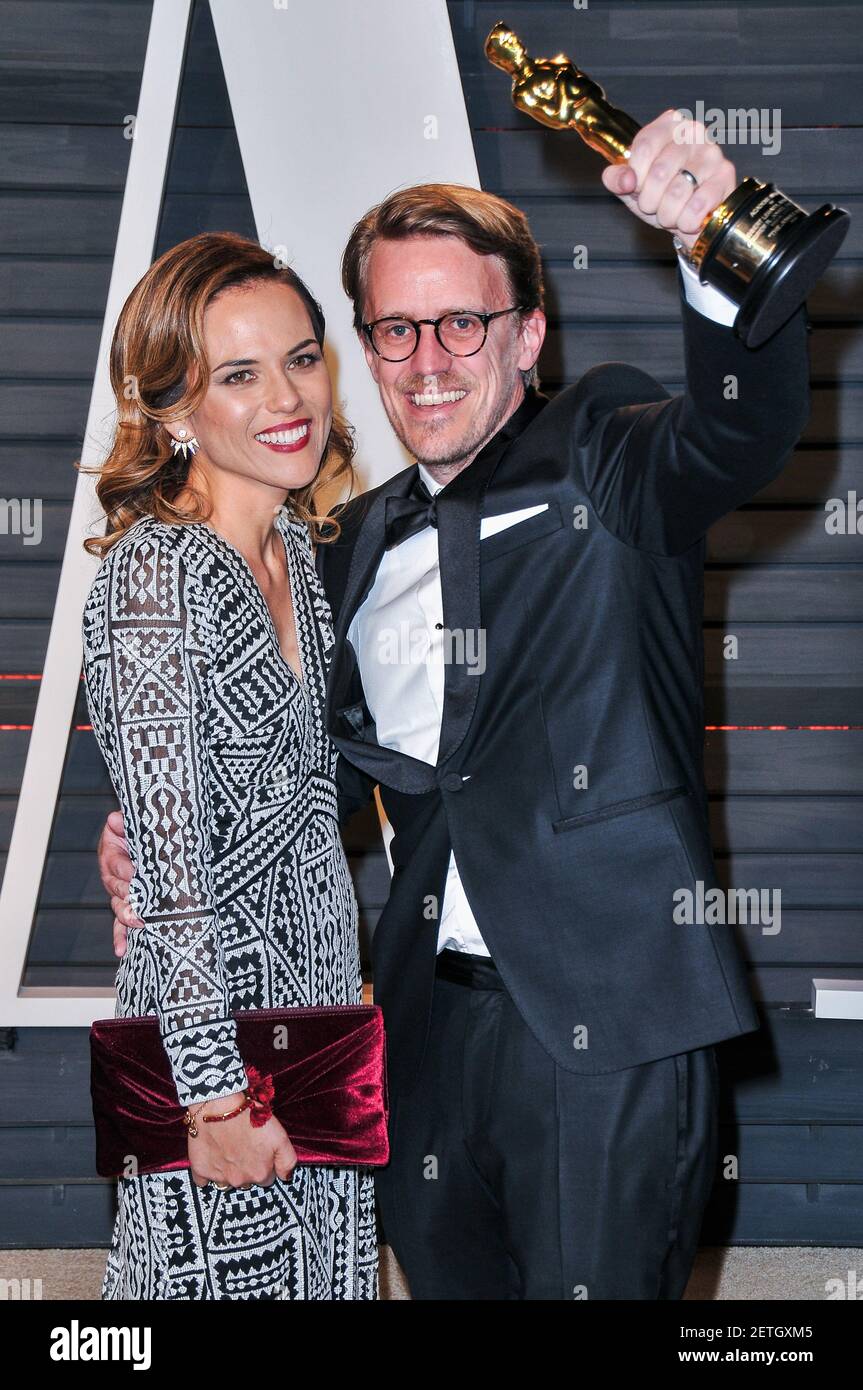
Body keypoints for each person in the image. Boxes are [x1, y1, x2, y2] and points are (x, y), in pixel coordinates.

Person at [101, 111, 811, 1299]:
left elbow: (737, 430)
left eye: (461, 323)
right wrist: (155, 842)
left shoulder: (605, 449)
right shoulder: (337, 545)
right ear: (367, 351)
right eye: (392, 329)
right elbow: (279, 761)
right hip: (419, 1027)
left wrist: (713, 241)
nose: (426, 361)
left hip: (604, 1025)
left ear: (527, 333)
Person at [83, 231, 377, 1300]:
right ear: (170, 410)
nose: (286, 396)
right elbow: (172, 873)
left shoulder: (294, 550)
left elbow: (295, 802)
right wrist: (212, 1103)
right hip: (215, 1047)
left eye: (301, 357)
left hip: (316, 1018)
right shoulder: (154, 581)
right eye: (238, 375)